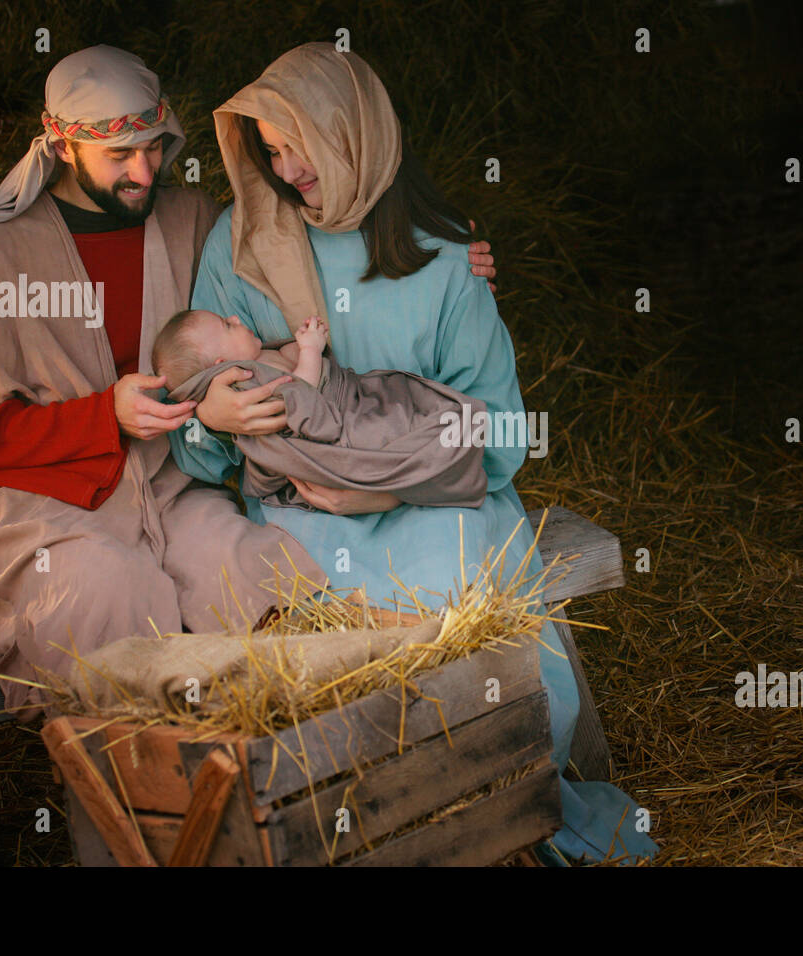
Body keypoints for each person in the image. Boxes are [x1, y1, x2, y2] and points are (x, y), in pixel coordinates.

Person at [169, 42, 656, 864]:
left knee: (469, 644)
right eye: (270, 150)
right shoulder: (238, 246)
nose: (286, 170)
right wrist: (209, 418)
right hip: (300, 513)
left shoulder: (445, 257)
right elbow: (194, 451)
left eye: (299, 143)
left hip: (432, 502)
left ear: (355, 131)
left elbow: (501, 436)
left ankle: (481, 811)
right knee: (316, 665)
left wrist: (386, 487)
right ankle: (359, 829)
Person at [0, 45, 498, 717]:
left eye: (156, 146)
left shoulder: (188, 218)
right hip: (52, 506)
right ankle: (137, 798)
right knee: (104, 593)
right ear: (62, 145)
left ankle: (312, 775)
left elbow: (299, 240)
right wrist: (101, 416)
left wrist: (448, 254)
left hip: (172, 485)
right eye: (120, 156)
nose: (145, 171)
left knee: (256, 572)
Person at [153, 309, 488, 509]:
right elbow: (304, 402)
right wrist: (310, 350)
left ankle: (443, 455)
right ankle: (440, 468)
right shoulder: (244, 381)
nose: (237, 318)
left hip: (351, 401)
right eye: (227, 326)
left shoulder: (252, 364)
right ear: (221, 363)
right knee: (411, 433)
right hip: (342, 430)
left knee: (420, 416)